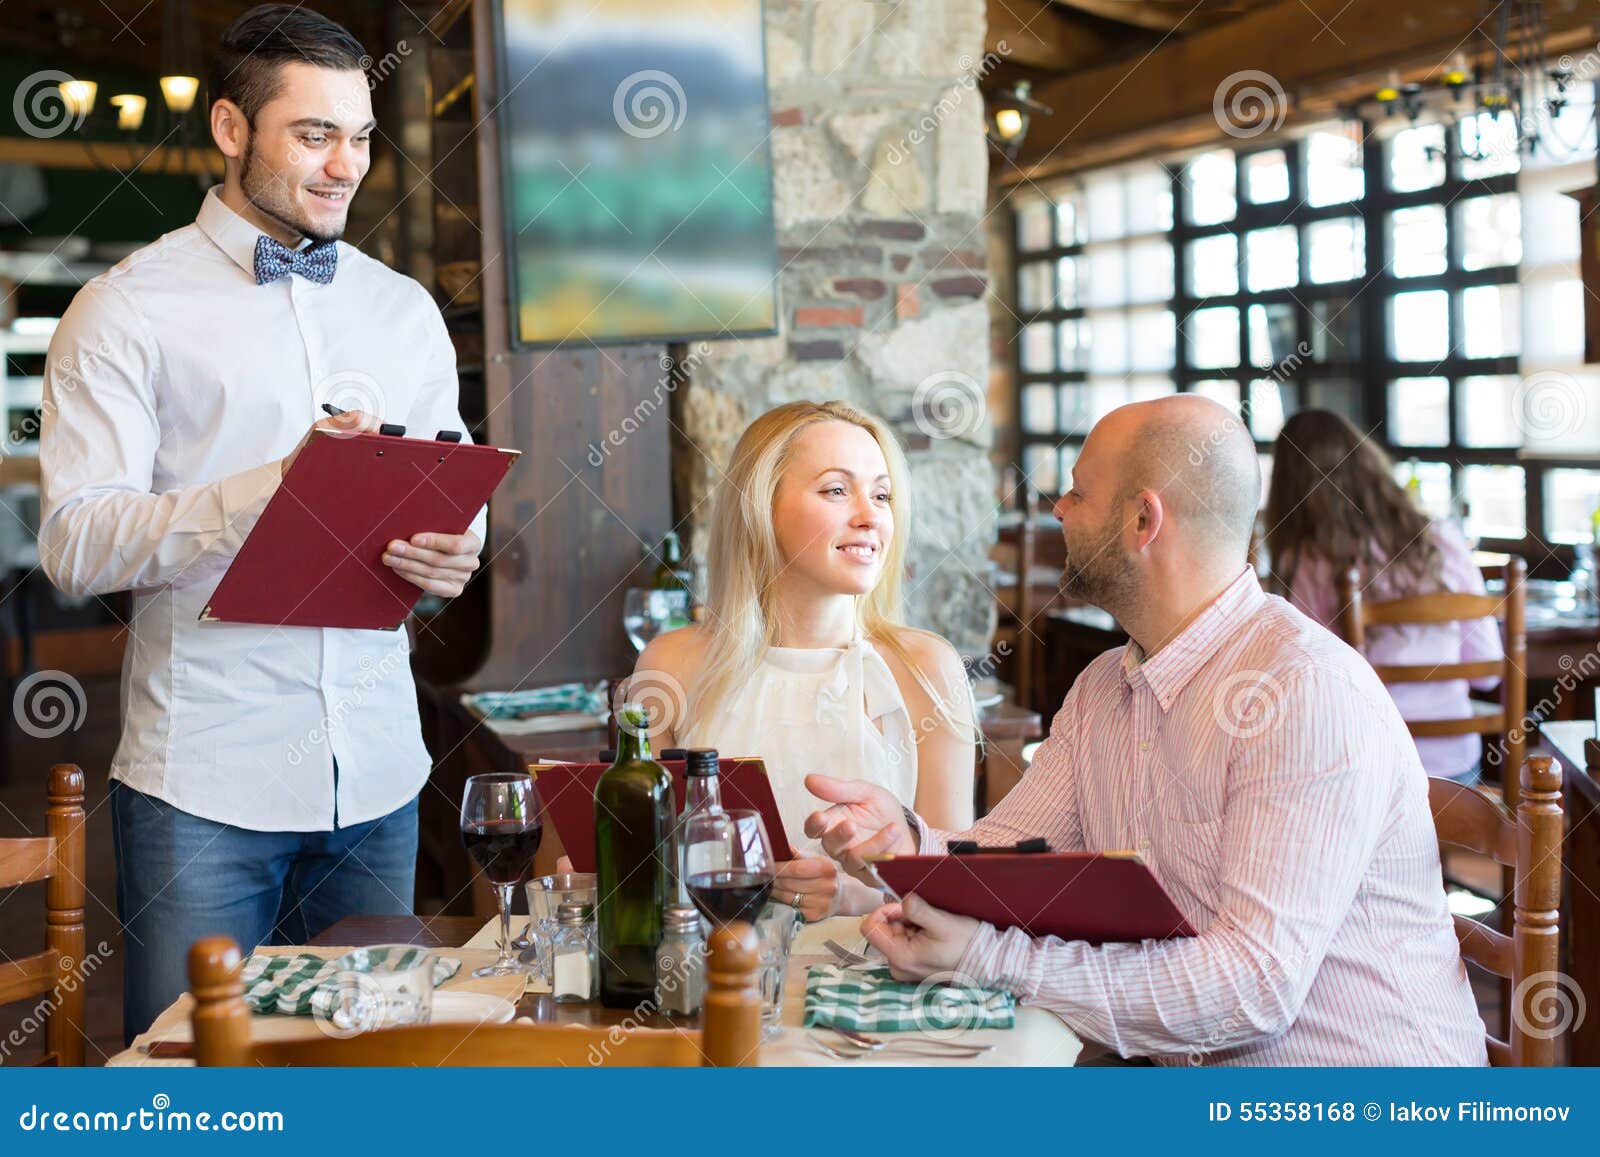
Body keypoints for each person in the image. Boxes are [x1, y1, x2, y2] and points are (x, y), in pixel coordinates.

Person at [38, 5, 485, 1043]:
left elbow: (448, 489)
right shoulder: (123, 309)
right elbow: (73, 541)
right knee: (188, 1075)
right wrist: (266, 490)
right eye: (314, 134)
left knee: (367, 1076)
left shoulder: (403, 311)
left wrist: (449, 552)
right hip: (205, 784)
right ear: (233, 131)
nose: (345, 166)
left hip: (376, 774)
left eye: (361, 137)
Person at [805, 395, 1487, 1065]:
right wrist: (907, 840)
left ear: (1141, 518)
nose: (1058, 510)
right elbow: (1014, 853)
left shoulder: (1303, 688)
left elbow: (1253, 988)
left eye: (1075, 493)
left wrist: (990, 958)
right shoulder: (1106, 682)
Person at [631, 401, 976, 922]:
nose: (870, 516)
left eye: (881, 494)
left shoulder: (929, 667)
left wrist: (849, 896)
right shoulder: (671, 663)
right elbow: (650, 861)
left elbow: (957, 884)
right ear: (760, 507)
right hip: (714, 971)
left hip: (878, 979)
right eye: (837, 490)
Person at [1265, 409, 1503, 781]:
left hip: (1374, 774)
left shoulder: (1309, 561)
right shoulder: (1441, 540)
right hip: (1459, 770)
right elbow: (1487, 671)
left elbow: (1310, 687)